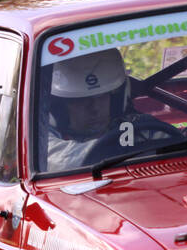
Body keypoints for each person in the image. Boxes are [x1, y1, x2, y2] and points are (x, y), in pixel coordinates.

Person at [43, 48, 177, 171]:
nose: (95, 108)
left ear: (116, 99)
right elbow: (61, 161)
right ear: (58, 108)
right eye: (81, 101)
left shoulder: (139, 128)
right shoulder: (41, 139)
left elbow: (175, 146)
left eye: (102, 97)